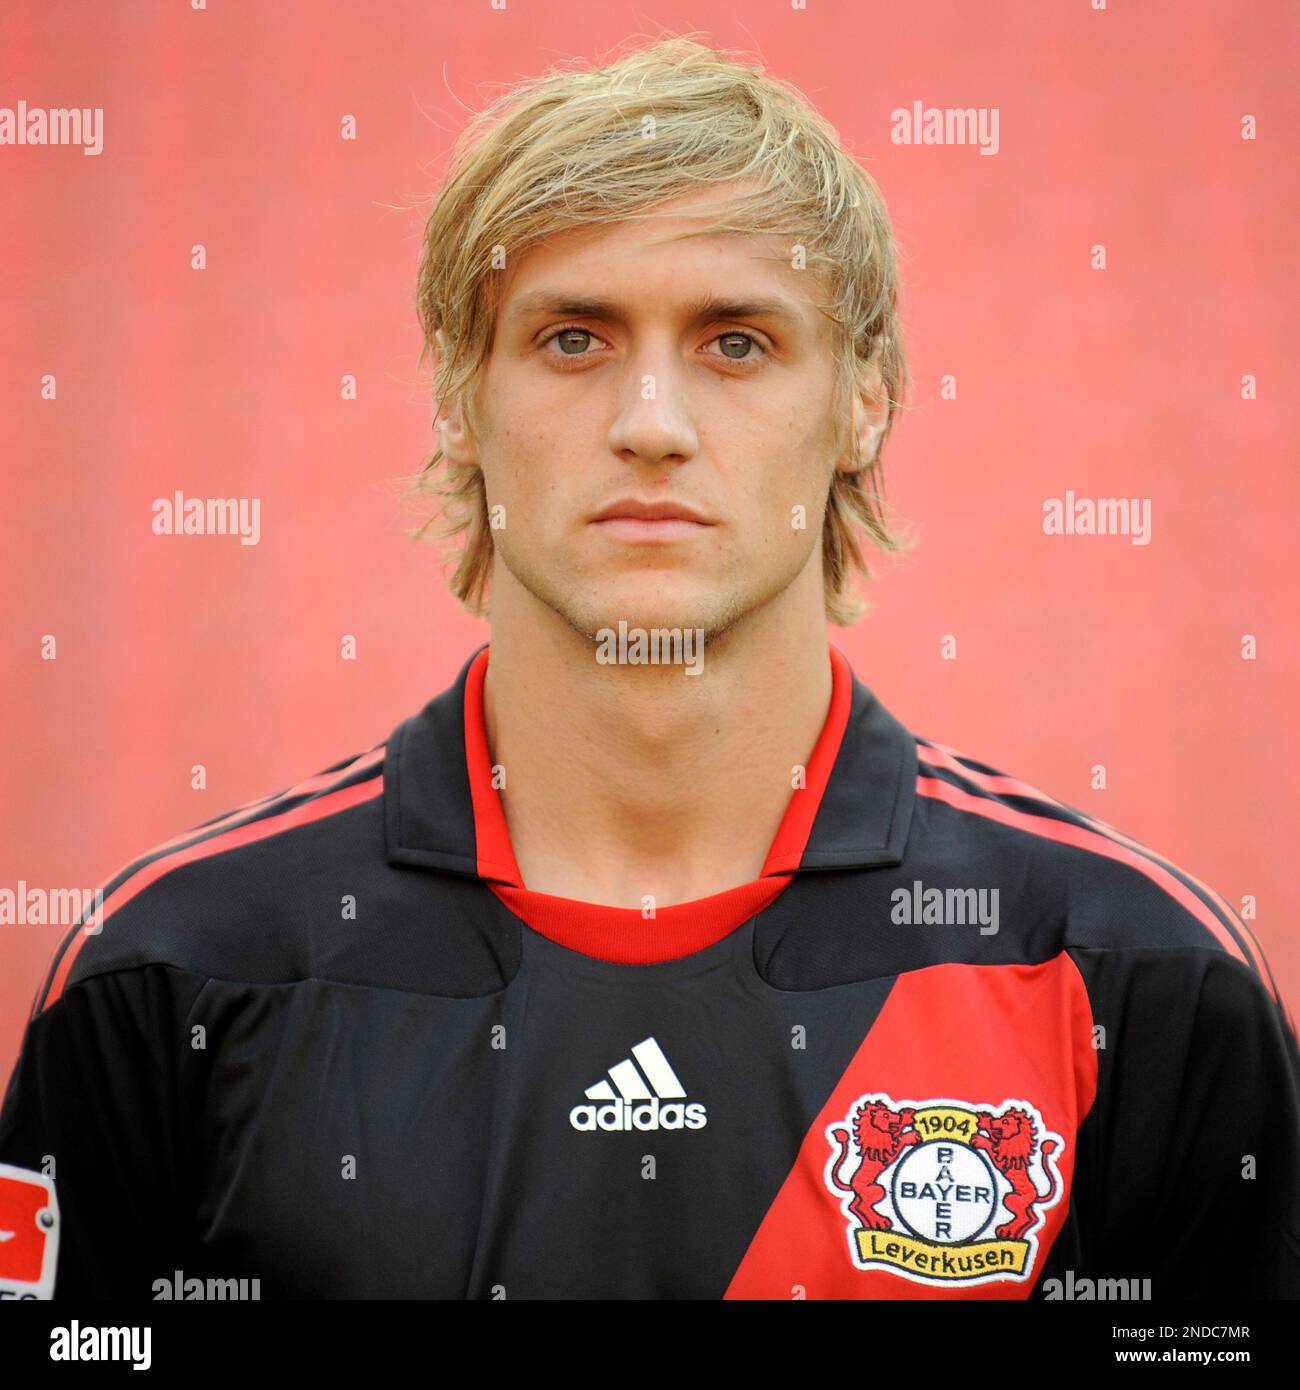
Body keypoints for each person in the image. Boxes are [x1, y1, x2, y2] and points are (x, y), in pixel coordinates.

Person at [2, 35, 1296, 1302]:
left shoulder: (1135, 985)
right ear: (460, 395)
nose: (652, 425)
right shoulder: (172, 978)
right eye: (574, 339)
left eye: (738, 342)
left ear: (866, 401)